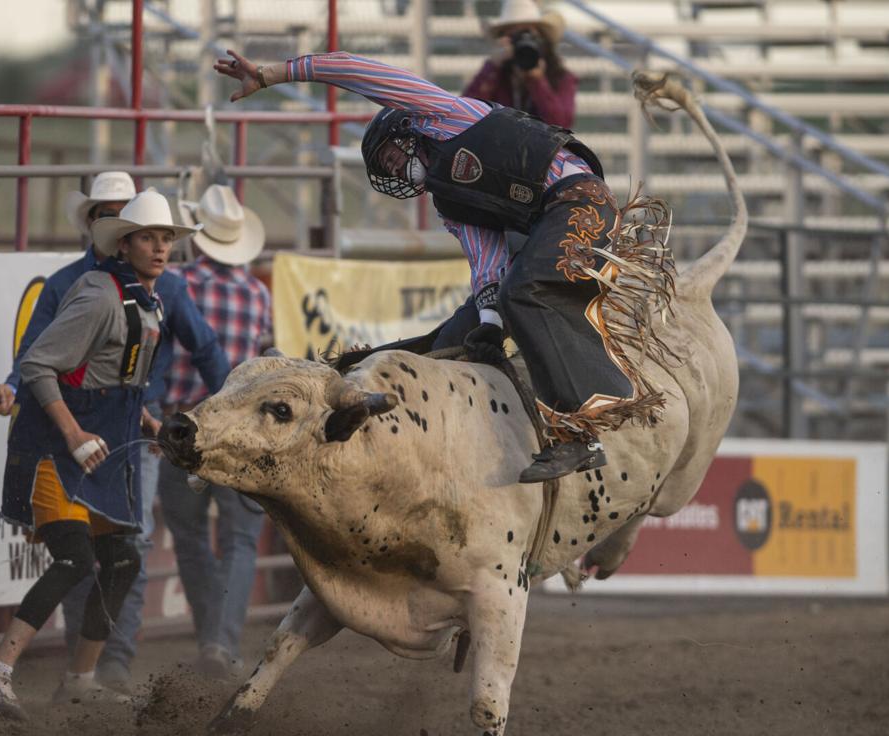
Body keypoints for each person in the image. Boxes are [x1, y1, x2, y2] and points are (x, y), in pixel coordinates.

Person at [214, 50, 676, 483]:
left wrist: (276, 74)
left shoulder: (445, 114)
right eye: (388, 169)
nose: (396, 171)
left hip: (579, 200)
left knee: (526, 291)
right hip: (541, 229)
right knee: (458, 332)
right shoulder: (450, 202)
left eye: (393, 158)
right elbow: (487, 264)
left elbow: (359, 71)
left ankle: (582, 430)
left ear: (407, 132)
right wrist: (490, 325)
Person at [0, 175, 230, 693]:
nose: (161, 246)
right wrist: (73, 434)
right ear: (124, 243)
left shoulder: (147, 300)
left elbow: (118, 380)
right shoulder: (97, 294)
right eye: (148, 237)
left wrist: (152, 424)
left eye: (166, 237)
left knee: (121, 559)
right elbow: (36, 366)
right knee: (76, 557)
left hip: (103, 446)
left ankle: (80, 678)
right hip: (59, 448)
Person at [159, 184, 273, 679]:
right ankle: (221, 642)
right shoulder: (257, 293)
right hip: (238, 434)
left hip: (181, 425)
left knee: (188, 533)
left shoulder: (177, 282)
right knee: (240, 538)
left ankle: (212, 636)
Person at [463, 0, 577, 128]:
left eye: (529, 34)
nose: (524, 41)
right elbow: (465, 115)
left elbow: (561, 125)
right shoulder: (496, 75)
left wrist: (537, 81)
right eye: (516, 35)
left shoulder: (561, 77)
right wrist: (492, 66)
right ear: (504, 41)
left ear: (543, 40)